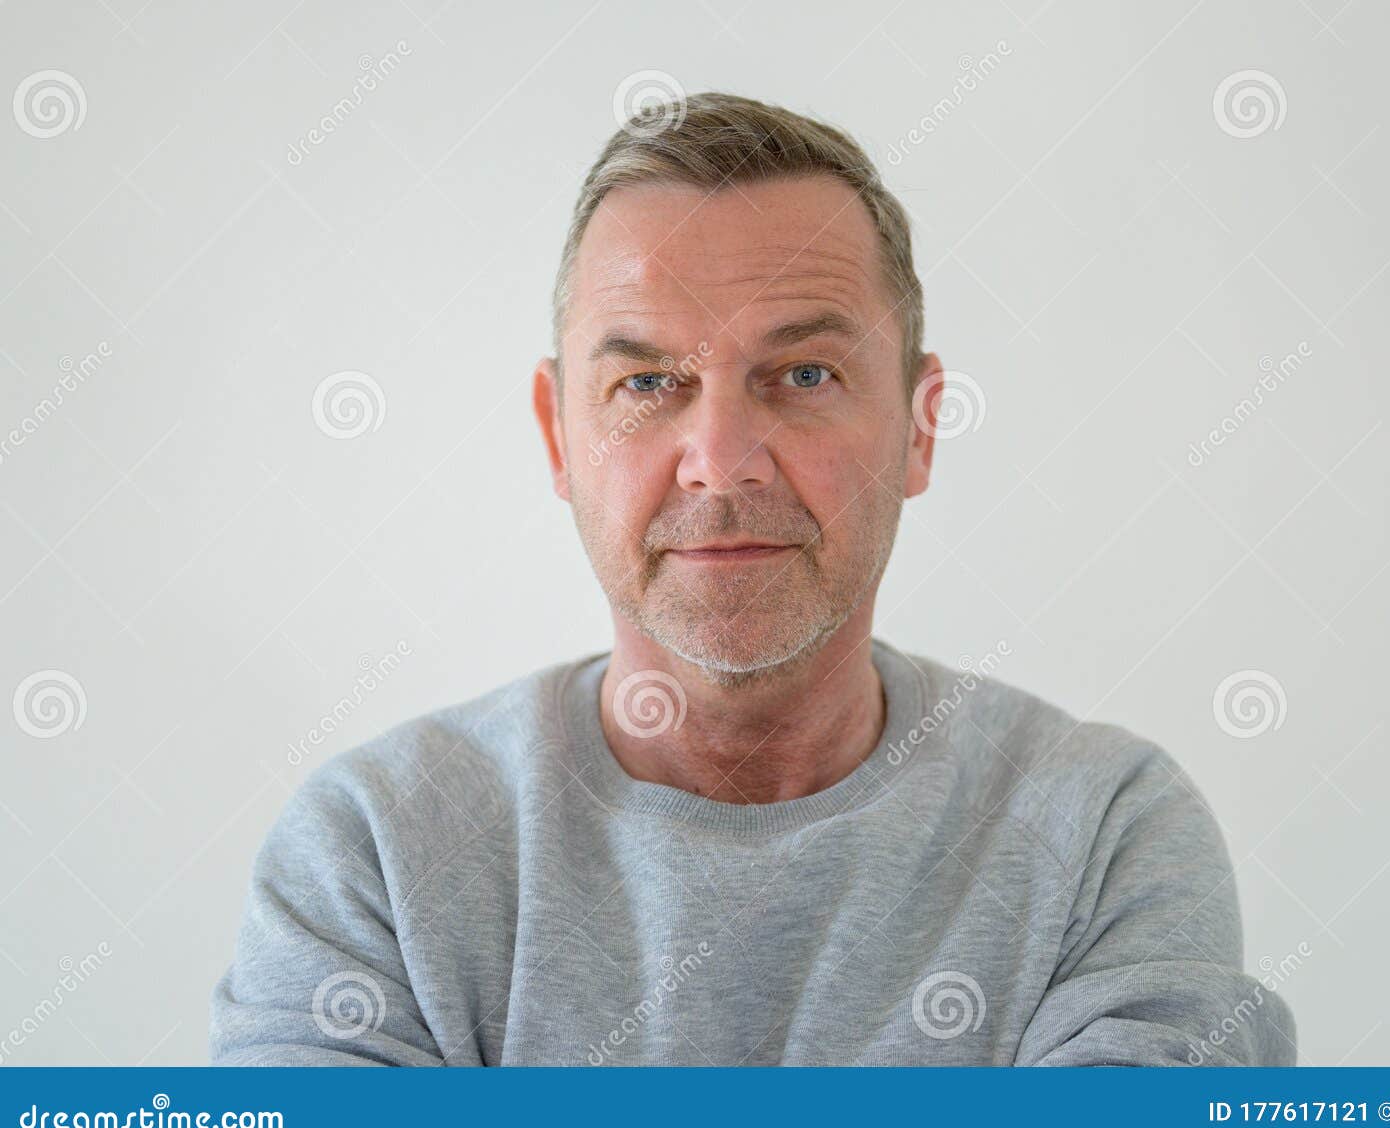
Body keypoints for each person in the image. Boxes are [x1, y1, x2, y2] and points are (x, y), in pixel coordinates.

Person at [209, 92, 1296, 1066]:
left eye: (805, 373)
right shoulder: (378, 852)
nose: (720, 458)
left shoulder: (1099, 833)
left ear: (920, 429)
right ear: (558, 433)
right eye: (647, 381)